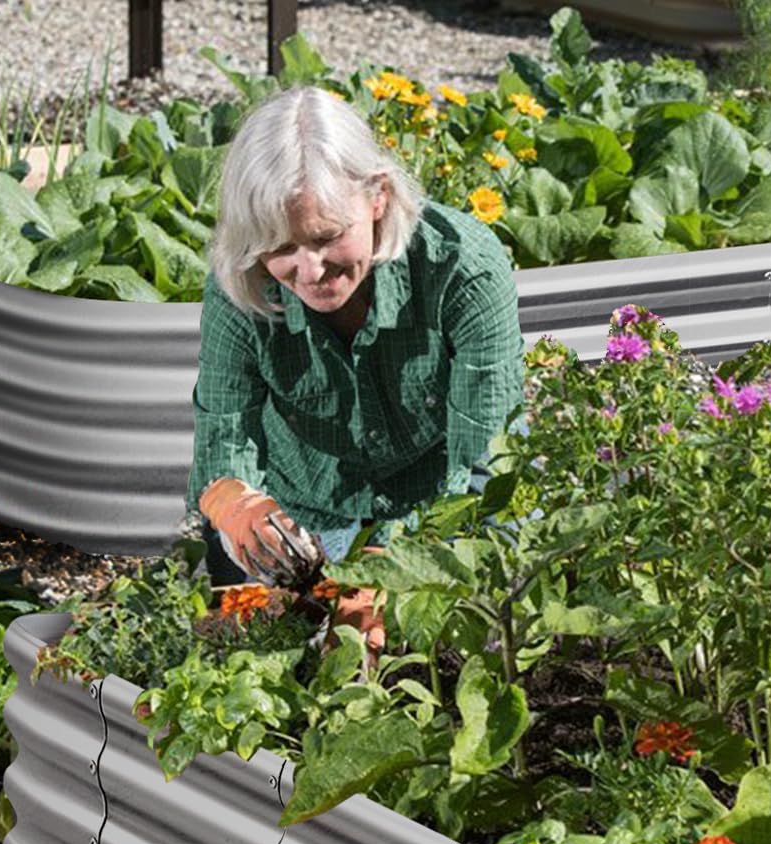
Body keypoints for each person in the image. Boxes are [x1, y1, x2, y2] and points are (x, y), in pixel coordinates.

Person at [185, 83, 525, 652]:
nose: (308, 269)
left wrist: (397, 560)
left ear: (377, 198)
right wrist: (235, 502)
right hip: (302, 516)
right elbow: (224, 428)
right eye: (280, 247)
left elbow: (484, 457)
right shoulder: (241, 284)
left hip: (442, 508)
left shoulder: (463, 269)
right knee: (261, 654)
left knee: (451, 644)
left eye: (325, 237)